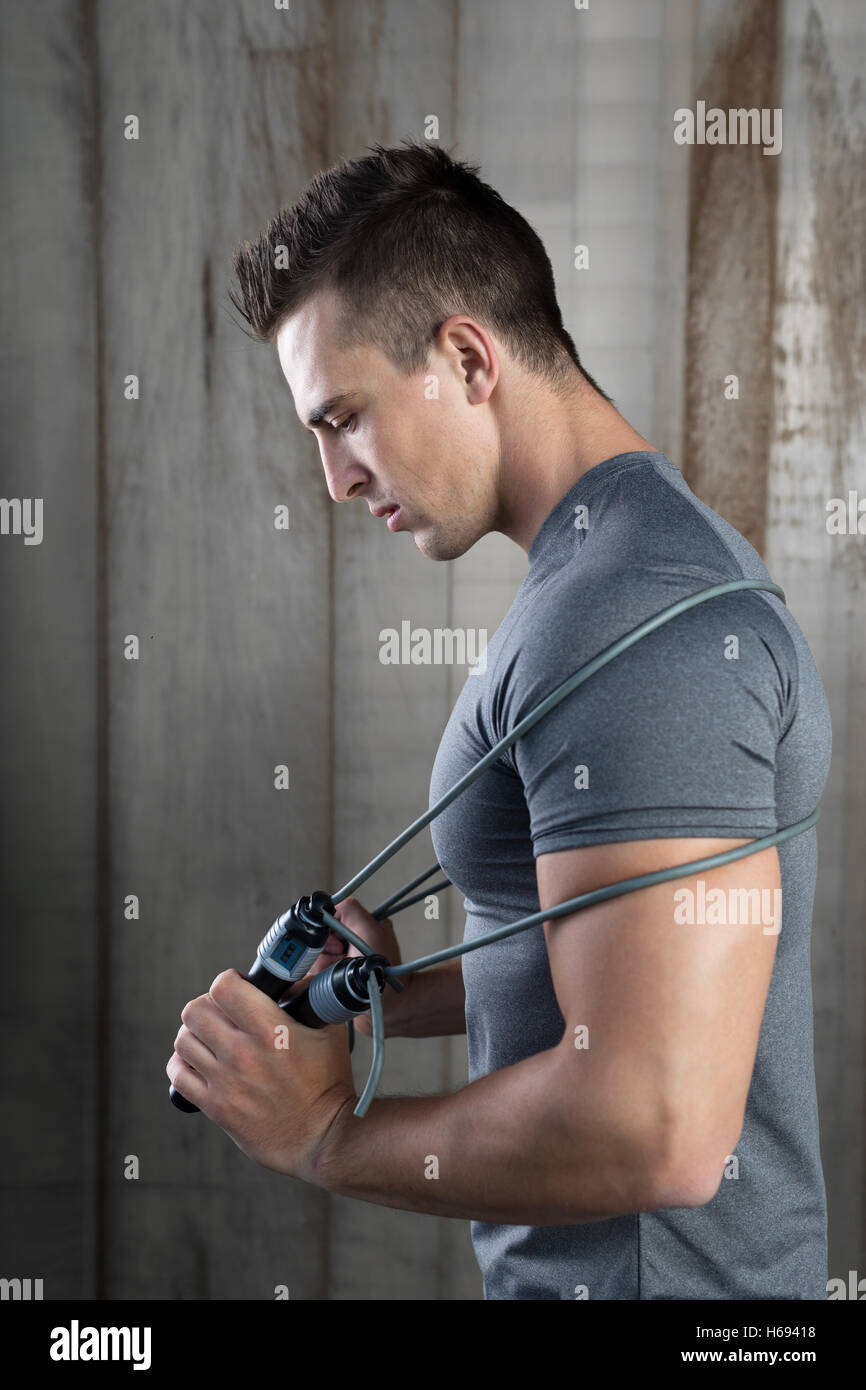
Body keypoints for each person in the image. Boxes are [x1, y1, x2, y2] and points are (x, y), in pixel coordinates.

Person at [169, 139, 831, 1300]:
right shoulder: (607, 569)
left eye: (345, 418)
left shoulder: (634, 616)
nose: (334, 477)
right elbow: (617, 965)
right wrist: (393, 994)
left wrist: (321, 1132)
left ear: (466, 357)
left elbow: (655, 1126)